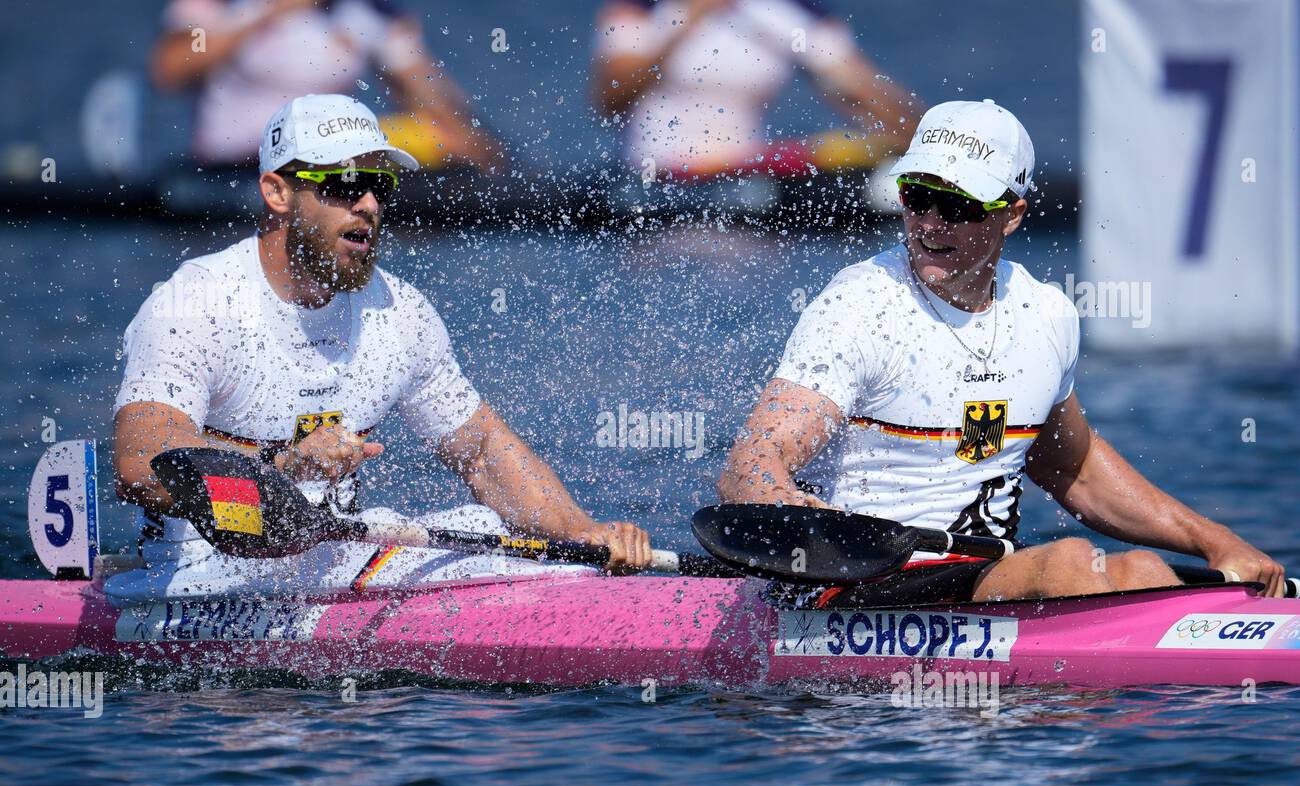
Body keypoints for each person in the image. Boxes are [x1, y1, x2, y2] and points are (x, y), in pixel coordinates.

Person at [717, 99, 1288, 600]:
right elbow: (751, 465)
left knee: (1143, 569)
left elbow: (1075, 468)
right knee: (1067, 561)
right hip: (862, 583)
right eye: (918, 198)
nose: (930, 226)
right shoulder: (860, 309)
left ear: (1012, 214)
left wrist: (1216, 541)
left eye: (958, 207)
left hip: (983, 579)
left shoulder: (1045, 314)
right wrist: (787, 505)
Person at [108, 94, 650, 605]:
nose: (368, 204)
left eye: (380, 185)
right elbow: (139, 465)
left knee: (491, 528)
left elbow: (483, 453)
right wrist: (282, 463)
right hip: (200, 574)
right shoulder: (194, 303)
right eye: (344, 184)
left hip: (330, 560)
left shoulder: (400, 313)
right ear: (277, 192)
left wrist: (582, 532)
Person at [151, 0, 501, 170]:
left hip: (327, 159)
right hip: (234, 163)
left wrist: (488, 156)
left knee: (444, 133)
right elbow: (169, 70)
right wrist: (269, 15)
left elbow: (429, 94)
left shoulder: (367, 13)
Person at [591, 0, 920, 178]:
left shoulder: (790, 13)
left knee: (856, 147)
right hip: (654, 171)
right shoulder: (641, 8)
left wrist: (927, 139)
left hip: (745, 171)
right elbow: (611, 98)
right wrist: (687, 21)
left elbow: (860, 92)